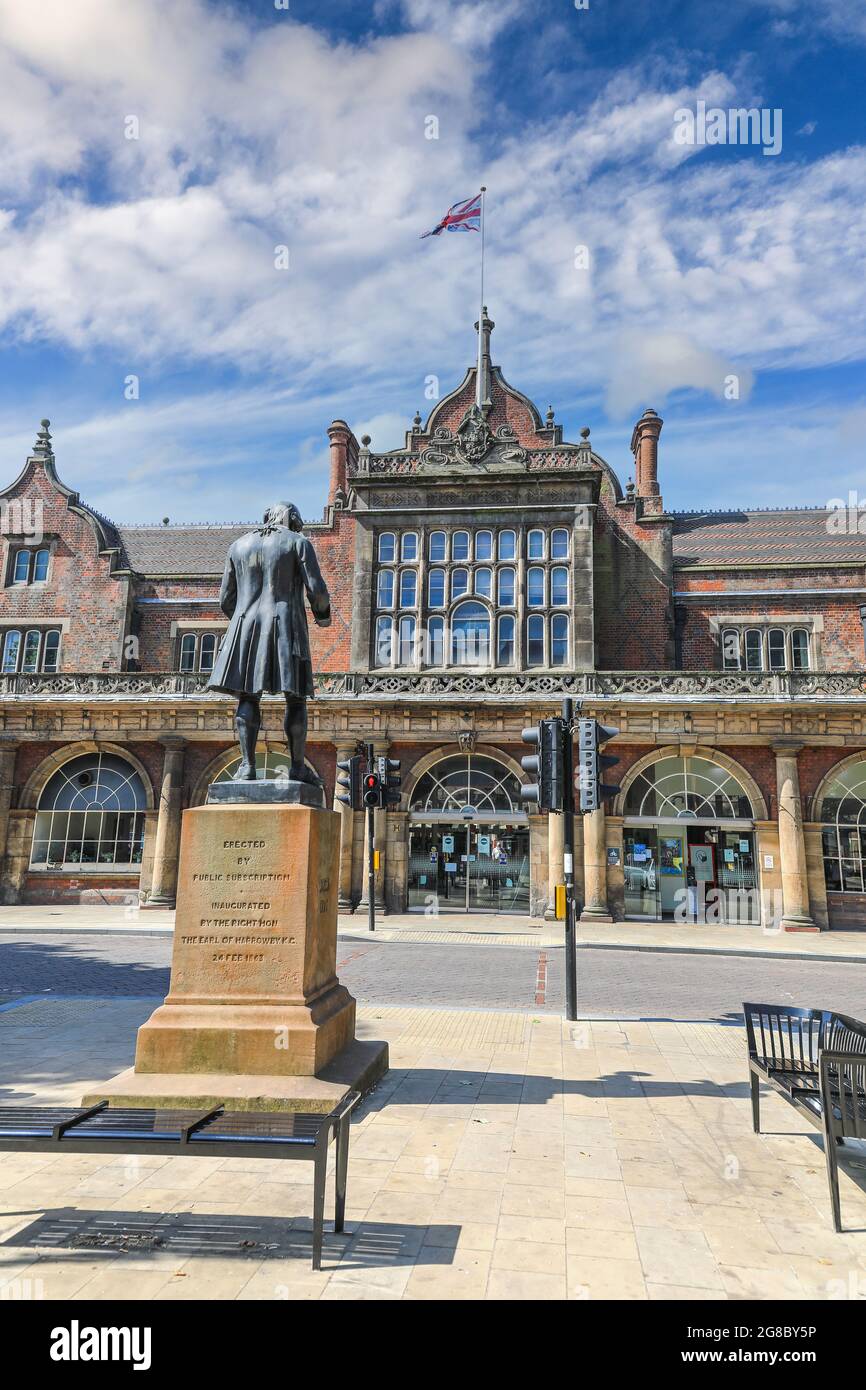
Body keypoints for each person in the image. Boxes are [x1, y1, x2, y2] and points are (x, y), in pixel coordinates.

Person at [207, 502, 331, 782]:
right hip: (286, 624)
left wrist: (244, 620)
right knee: (296, 698)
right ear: (293, 519)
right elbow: (317, 590)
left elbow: (225, 599)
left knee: (247, 696)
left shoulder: (237, 546)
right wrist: (322, 616)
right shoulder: (298, 543)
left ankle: (246, 767)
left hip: (246, 626)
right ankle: (298, 768)